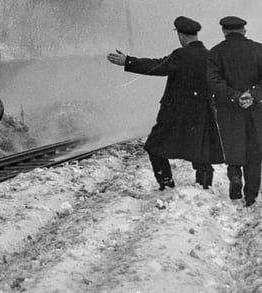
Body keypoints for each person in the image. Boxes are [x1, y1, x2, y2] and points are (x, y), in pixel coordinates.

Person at [107, 16, 223, 190]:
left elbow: (157, 66)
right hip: (201, 111)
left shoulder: (181, 55)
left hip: (175, 111)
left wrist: (128, 61)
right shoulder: (210, 56)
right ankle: (204, 185)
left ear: (181, 36)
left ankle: (166, 183)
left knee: (154, 146)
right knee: (201, 149)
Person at [207, 16, 262, 207]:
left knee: (233, 146)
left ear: (224, 31)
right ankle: (251, 194)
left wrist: (235, 96)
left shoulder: (215, 53)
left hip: (229, 110)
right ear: (244, 31)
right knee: (254, 151)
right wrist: (252, 95)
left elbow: (214, 82)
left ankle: (235, 176)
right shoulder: (259, 49)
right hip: (256, 111)